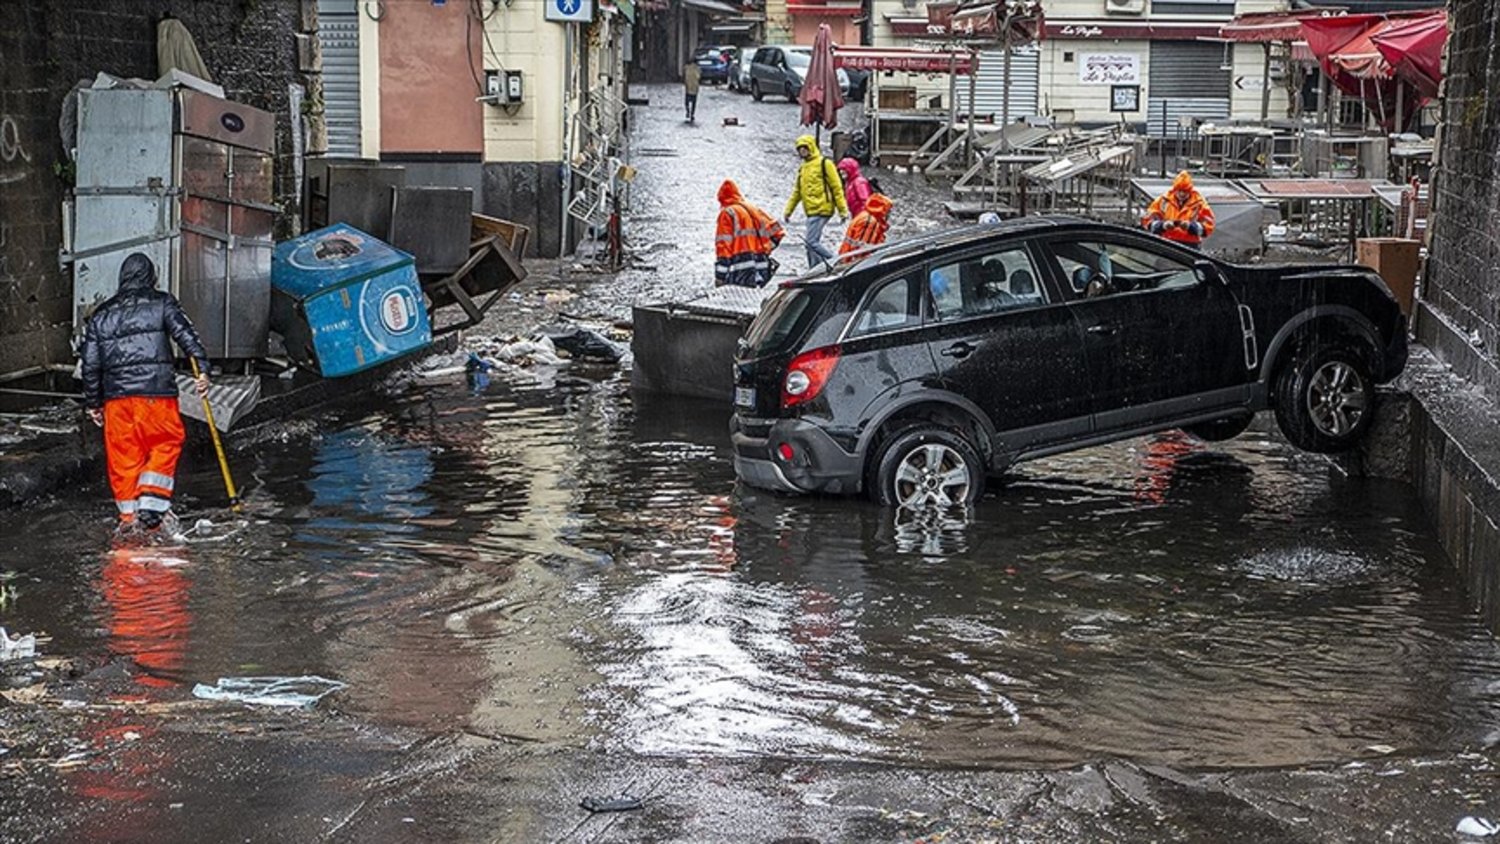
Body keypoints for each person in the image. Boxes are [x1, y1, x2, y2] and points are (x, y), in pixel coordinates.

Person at [81, 253, 211, 531]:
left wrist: (93, 403)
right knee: (165, 442)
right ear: (152, 277)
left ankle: (130, 526)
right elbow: (187, 336)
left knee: (124, 460)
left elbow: (90, 364)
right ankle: (152, 509)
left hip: (116, 401)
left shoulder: (101, 314)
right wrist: (202, 369)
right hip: (156, 395)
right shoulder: (162, 302)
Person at [783, 134, 849, 269]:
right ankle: (816, 268)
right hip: (810, 211)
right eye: (799, 149)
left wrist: (842, 211)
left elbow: (836, 188)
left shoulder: (825, 164)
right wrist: (788, 210)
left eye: (804, 148)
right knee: (810, 245)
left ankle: (835, 261)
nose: (802, 151)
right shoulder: (803, 168)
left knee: (811, 242)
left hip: (822, 208)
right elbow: (797, 191)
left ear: (810, 148)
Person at [715, 179, 785, 287]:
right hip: (762, 265)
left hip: (740, 268)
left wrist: (720, 276)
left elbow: (724, 247)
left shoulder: (727, 213)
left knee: (738, 301)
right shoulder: (753, 209)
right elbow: (778, 232)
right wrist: (766, 248)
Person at [1142, 170, 1215, 247]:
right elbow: (1147, 221)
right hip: (1166, 243)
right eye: (1179, 191)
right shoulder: (1163, 201)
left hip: (1190, 246)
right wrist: (1163, 225)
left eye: (1185, 191)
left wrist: (1190, 226)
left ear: (1190, 191)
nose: (1182, 194)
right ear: (1175, 189)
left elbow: (1208, 227)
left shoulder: (1199, 203)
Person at [838, 193, 893, 263]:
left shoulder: (864, 215)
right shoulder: (870, 221)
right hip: (854, 262)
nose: (889, 212)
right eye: (888, 209)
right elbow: (862, 248)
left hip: (846, 255)